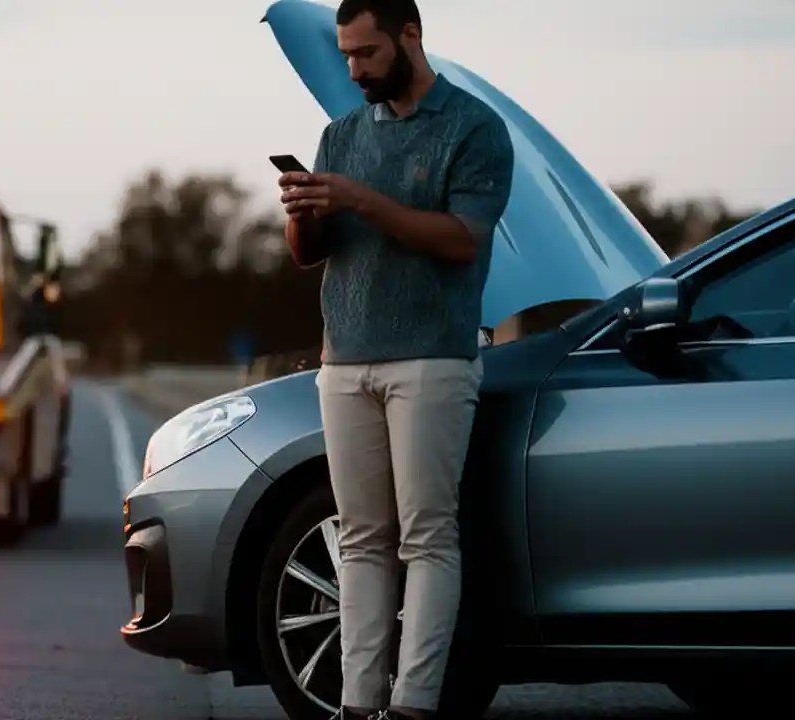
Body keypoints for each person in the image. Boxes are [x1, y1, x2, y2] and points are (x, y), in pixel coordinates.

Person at [276, 0, 514, 718]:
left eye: (367, 54)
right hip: (344, 360)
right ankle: (358, 704)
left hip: (431, 360)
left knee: (427, 534)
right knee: (362, 540)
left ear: (410, 36)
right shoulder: (339, 135)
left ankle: (413, 704)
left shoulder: (474, 129)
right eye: (346, 55)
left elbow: (460, 241)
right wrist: (304, 211)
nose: (354, 70)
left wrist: (361, 198)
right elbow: (307, 256)